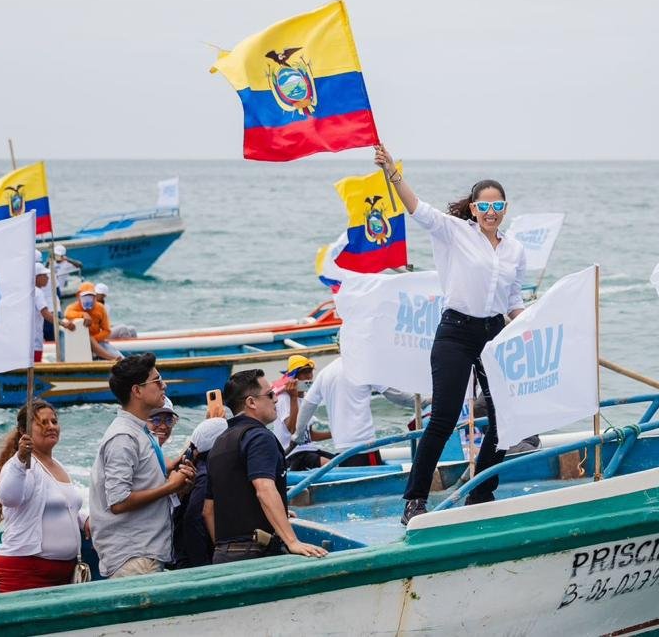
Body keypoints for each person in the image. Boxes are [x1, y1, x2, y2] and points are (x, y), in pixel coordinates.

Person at [374, 144, 526, 525]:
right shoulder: (453, 231)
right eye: (484, 207)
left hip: (494, 334)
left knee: (506, 417)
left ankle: (481, 490)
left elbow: (513, 300)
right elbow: (416, 207)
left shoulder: (515, 250)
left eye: (498, 206)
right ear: (474, 209)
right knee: (442, 418)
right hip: (456, 332)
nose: (491, 213)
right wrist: (393, 172)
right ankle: (414, 499)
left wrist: (531, 324)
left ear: (504, 209)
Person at [89, 353, 195, 579]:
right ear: (137, 391)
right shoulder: (123, 437)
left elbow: (138, 477)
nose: (163, 385)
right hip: (134, 556)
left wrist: (169, 471)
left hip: (145, 551)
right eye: (156, 381)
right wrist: (170, 487)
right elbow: (118, 501)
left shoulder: (140, 432)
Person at [203, 369, 326, 563]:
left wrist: (224, 548)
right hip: (256, 553)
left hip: (223, 554)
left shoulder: (220, 442)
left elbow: (209, 510)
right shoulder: (259, 437)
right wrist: (292, 541)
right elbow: (264, 489)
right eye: (270, 394)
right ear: (251, 402)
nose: (276, 399)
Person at [0, 401, 87, 592]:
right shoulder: (20, 466)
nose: (51, 427)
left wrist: (83, 520)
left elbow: (62, 507)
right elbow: (9, 497)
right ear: (24, 431)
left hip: (63, 572)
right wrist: (20, 459)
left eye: (54, 421)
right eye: (42, 423)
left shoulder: (58, 465)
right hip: (25, 569)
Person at [288, 358, 417, 467]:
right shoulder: (364, 367)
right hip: (364, 447)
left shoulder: (325, 373)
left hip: (342, 451)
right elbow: (397, 395)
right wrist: (424, 402)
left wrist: (298, 435)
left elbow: (307, 407)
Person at [174, 418, 227, 569]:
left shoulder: (197, 468)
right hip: (193, 563)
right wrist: (203, 565)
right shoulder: (206, 474)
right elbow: (193, 519)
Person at [65, 282, 121, 361]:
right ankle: (111, 358)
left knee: (91, 338)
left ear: (95, 297)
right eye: (85, 296)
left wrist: (95, 339)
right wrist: (83, 314)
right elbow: (67, 314)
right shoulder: (73, 308)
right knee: (87, 337)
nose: (88, 299)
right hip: (79, 342)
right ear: (78, 296)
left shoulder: (100, 308)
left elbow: (107, 330)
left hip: (97, 341)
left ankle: (114, 358)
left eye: (90, 296)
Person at [34, 265, 74, 364]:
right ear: (37, 277)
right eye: (45, 275)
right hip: (35, 342)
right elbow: (45, 314)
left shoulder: (29, 291)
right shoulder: (38, 293)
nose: (48, 278)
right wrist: (63, 324)